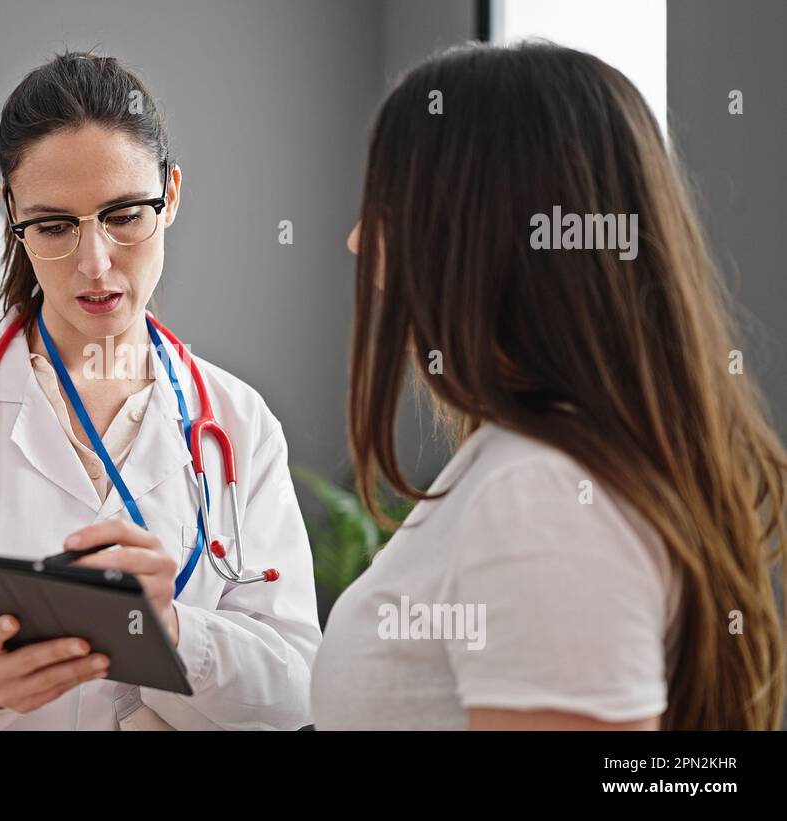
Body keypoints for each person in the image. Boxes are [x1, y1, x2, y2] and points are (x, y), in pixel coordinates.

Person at [0, 51, 320, 730]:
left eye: (125, 214)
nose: (94, 262)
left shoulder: (238, 423)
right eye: (52, 226)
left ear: (173, 195)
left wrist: (176, 633)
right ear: (12, 213)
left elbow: (296, 692)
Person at [312, 42, 787, 730]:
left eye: (391, 200)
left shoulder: (542, 495)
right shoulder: (536, 467)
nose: (359, 239)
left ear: (477, 232)